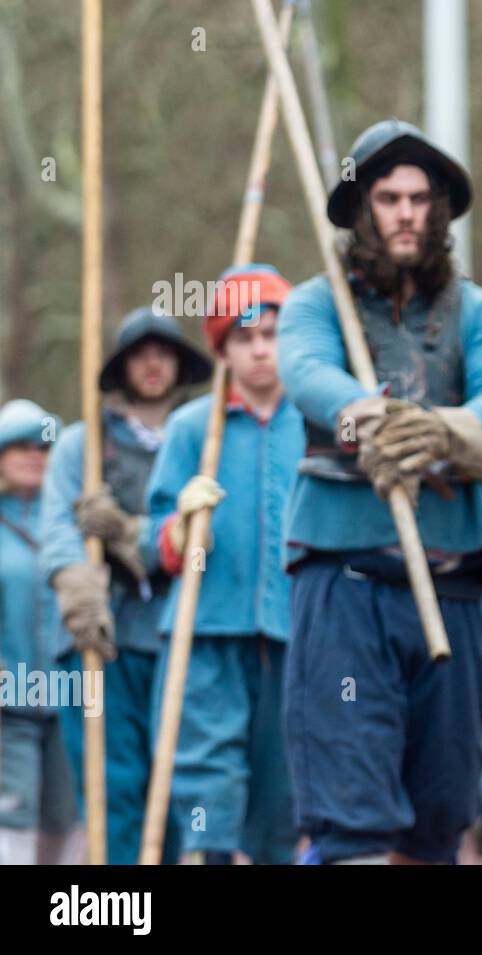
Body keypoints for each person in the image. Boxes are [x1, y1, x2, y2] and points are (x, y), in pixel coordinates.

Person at [277, 119, 482, 864]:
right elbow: (307, 372)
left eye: (421, 197)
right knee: (351, 811)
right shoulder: (316, 304)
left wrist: (446, 432)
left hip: (451, 586)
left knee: (441, 813)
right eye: (389, 197)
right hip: (345, 584)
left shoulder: (481, 311)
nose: (408, 211)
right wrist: (367, 417)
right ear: (363, 210)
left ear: (440, 210)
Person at [41, 306, 210, 864]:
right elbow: (60, 533)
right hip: (103, 640)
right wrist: (79, 593)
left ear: (180, 364)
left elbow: (206, 538)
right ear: (121, 366)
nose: (154, 363)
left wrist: (127, 535)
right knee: (114, 786)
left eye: (164, 352)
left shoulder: (200, 443)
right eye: (141, 353)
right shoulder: (83, 446)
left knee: (177, 783)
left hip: (178, 634)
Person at [146, 265, 301, 864]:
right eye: (245, 336)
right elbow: (149, 540)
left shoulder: (317, 425)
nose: (260, 348)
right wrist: (178, 528)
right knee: (206, 793)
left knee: (283, 798)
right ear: (223, 349)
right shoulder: (191, 429)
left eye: (271, 332)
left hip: (293, 636)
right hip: (205, 636)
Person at [0, 399, 80, 864]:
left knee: (64, 817)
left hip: (68, 697)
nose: (35, 455)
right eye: (21, 446)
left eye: (44, 447)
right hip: (9, 703)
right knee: (12, 815)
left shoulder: (71, 523)